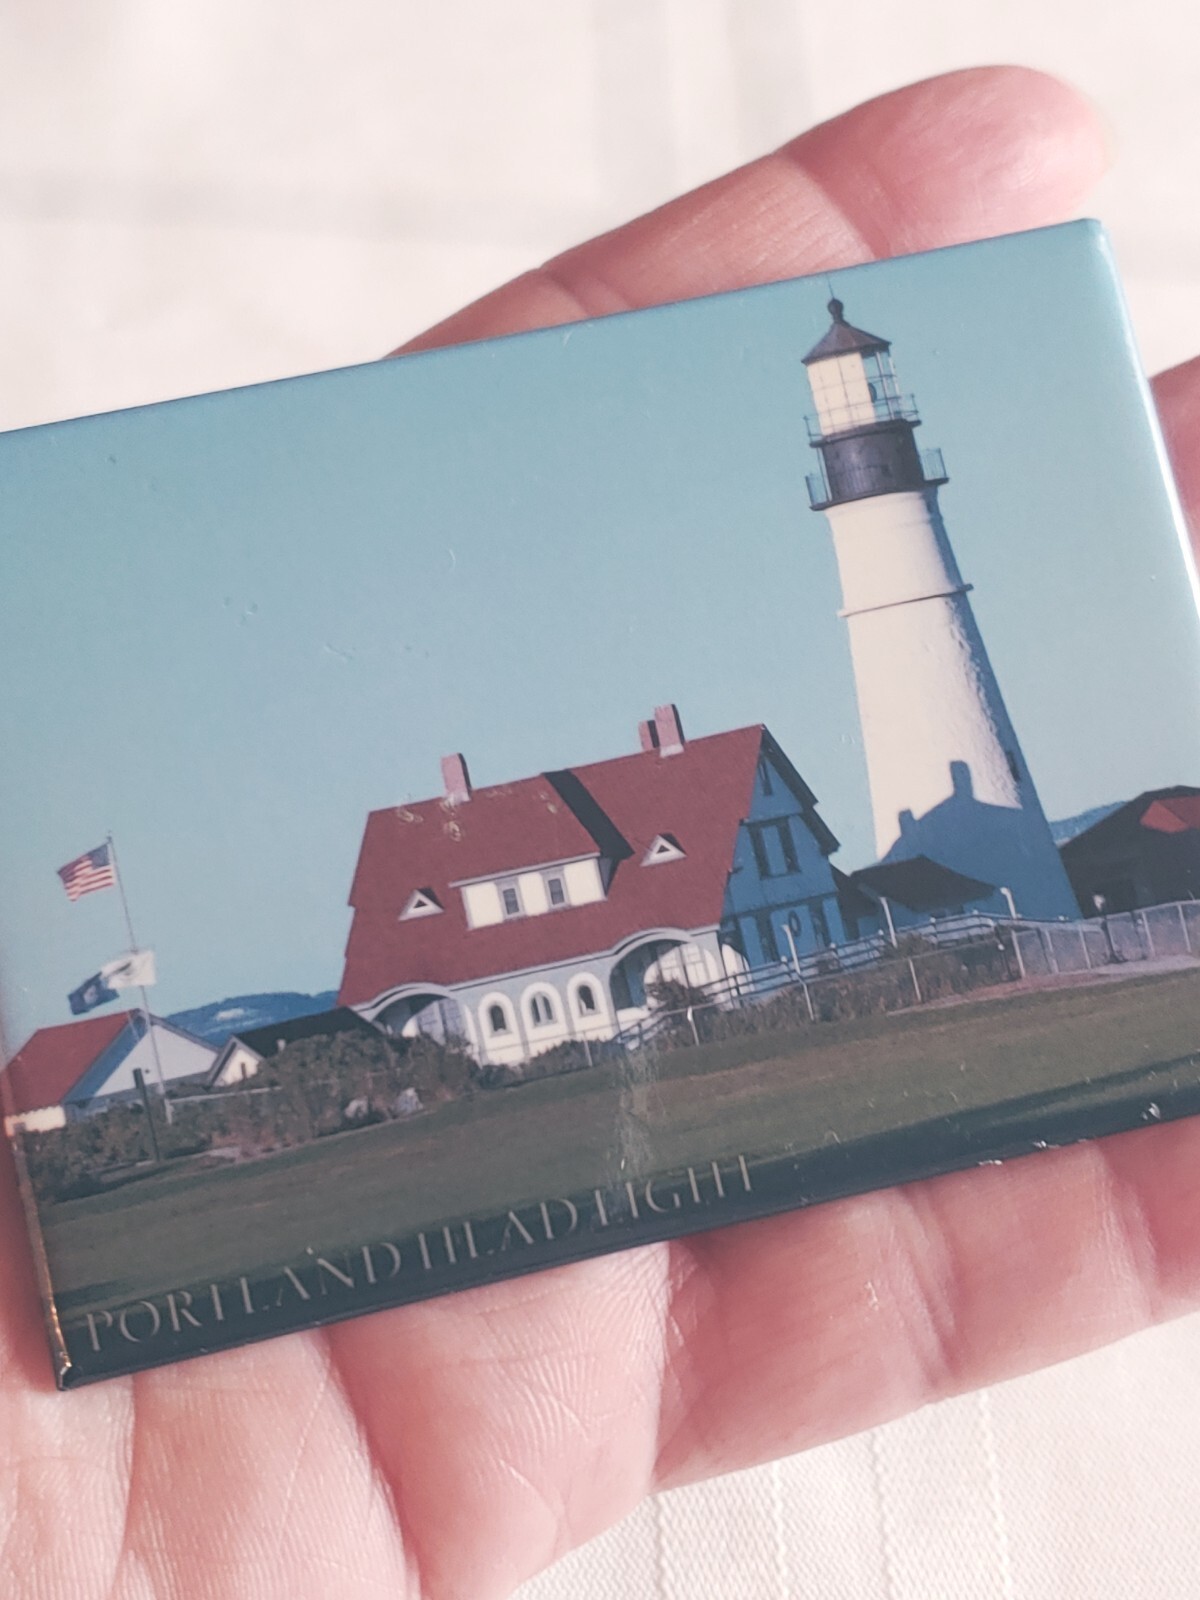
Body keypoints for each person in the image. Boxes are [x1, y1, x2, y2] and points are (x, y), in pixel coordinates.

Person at [2, 64, 1197, 1600]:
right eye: (851, 396)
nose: (857, 403)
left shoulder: (722, 798)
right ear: (858, 429)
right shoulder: (527, 867)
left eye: (856, 392)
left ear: (864, 423)